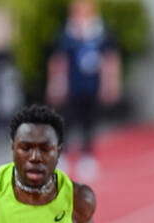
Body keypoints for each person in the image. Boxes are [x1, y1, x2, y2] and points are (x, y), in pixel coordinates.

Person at [46, 0, 121, 180]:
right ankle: (61, 156)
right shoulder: (66, 33)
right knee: (67, 121)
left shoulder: (101, 32)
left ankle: (87, 157)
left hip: (92, 86)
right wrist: (55, 84)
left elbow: (110, 59)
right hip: (72, 86)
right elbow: (58, 60)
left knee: (89, 121)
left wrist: (111, 84)